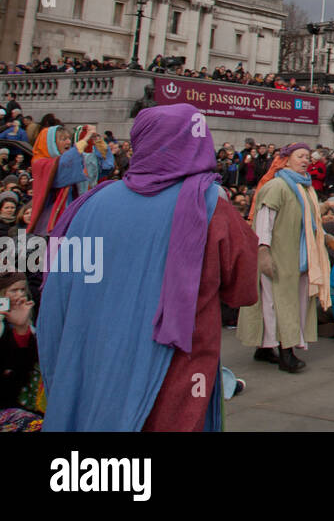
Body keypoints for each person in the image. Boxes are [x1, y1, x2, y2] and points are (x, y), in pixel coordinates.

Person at [37, 104, 259, 430]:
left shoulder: (89, 204)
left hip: (93, 365)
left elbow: (57, 297)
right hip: (173, 373)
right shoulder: (211, 206)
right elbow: (243, 291)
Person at [237, 143, 332, 373]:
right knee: (276, 305)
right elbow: (264, 221)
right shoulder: (276, 186)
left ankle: (264, 348)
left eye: (308, 157)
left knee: (288, 303)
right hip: (278, 257)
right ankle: (285, 352)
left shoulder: (305, 188)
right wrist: (263, 250)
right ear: (286, 159)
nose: (305, 160)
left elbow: (309, 223)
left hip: (297, 258)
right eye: (300, 156)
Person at [0, 272, 43, 431]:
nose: (19, 295)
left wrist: (21, 329)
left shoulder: (25, 328)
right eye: (13, 291)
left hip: (13, 406)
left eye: (22, 290)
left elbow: (19, 376)